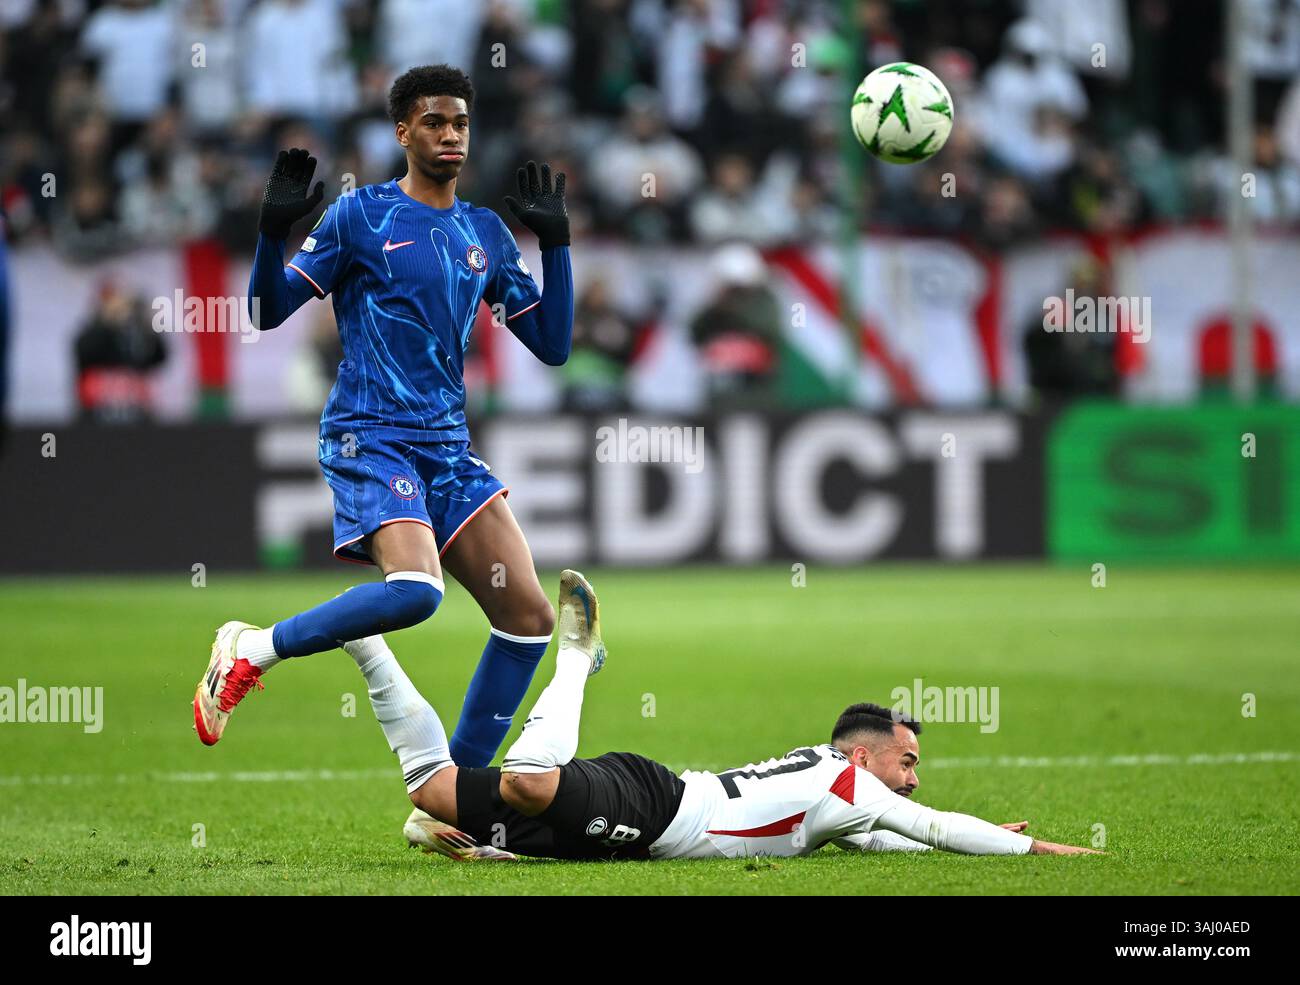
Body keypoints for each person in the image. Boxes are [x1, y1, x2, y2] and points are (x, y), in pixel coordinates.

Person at [193, 66, 575, 802]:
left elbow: (553, 344)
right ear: (403, 132)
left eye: (461, 123)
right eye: (434, 122)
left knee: (528, 617)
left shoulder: (485, 233)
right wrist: (271, 233)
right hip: (370, 434)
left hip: (445, 446)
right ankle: (250, 647)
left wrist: (555, 245)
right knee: (415, 591)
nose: (451, 135)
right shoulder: (359, 217)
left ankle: (454, 802)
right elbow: (267, 310)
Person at [343, 571, 1098, 862]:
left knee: (430, 790)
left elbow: (904, 842)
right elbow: (931, 826)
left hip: (644, 813)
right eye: (907, 762)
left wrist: (996, 836)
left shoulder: (838, 802)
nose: (914, 779)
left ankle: (364, 640)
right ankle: (576, 654)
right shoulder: (843, 781)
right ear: (862, 757)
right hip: (657, 807)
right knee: (529, 782)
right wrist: (1050, 853)